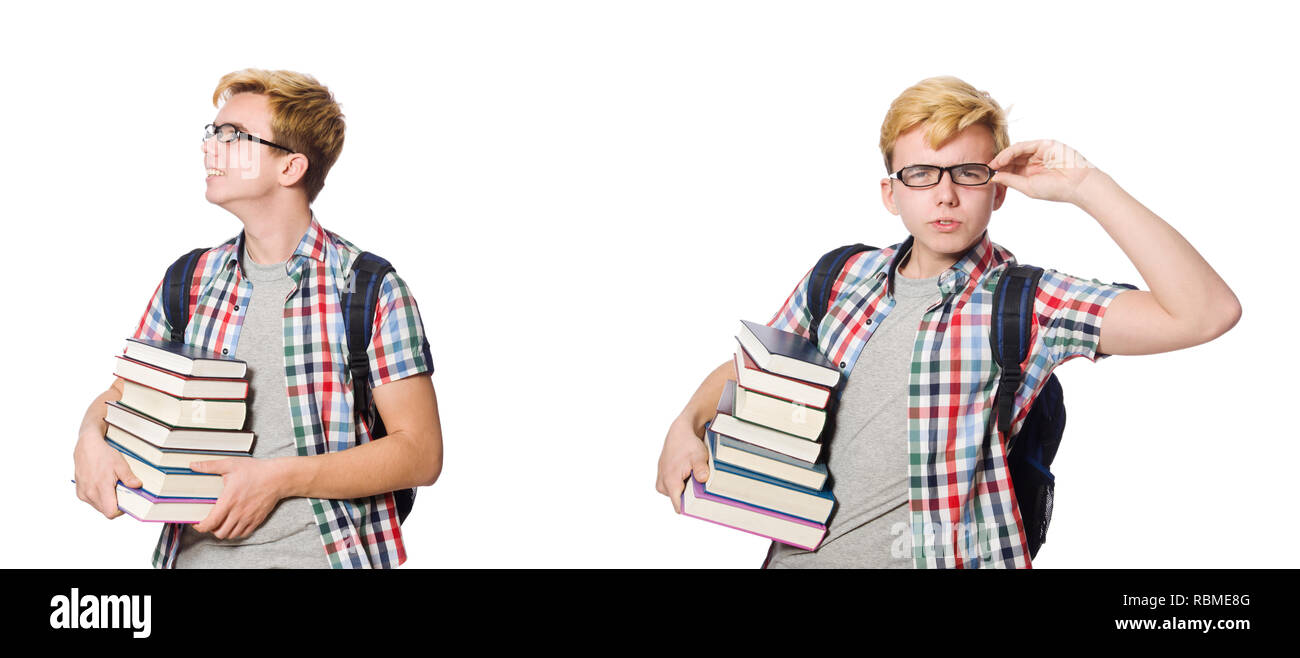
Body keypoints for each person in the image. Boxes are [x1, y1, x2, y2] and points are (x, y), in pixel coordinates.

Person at [654, 75, 1240, 568]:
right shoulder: (841, 275)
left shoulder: (1027, 301)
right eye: (922, 175)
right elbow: (757, 370)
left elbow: (1206, 312)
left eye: (967, 174)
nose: (945, 196)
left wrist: (1088, 186)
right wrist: (687, 422)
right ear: (891, 193)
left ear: (998, 191)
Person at [73, 69, 442, 569]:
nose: (210, 149)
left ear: (290, 167)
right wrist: (89, 439)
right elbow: (122, 397)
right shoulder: (190, 279)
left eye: (233, 137)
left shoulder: (370, 289)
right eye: (212, 133)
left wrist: (277, 479)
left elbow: (419, 453)